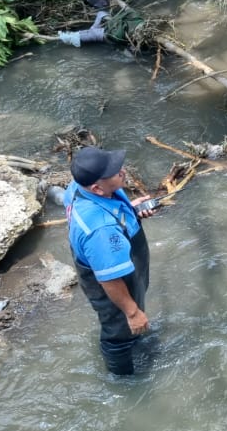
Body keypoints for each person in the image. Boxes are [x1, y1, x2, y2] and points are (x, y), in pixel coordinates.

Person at [65, 146, 158, 375]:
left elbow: (108, 212)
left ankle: (134, 334)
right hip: (112, 280)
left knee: (128, 321)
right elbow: (110, 280)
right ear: (97, 187)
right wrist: (132, 313)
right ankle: (124, 383)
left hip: (114, 257)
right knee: (118, 333)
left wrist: (131, 211)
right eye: (116, 172)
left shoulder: (80, 187)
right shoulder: (102, 230)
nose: (123, 171)